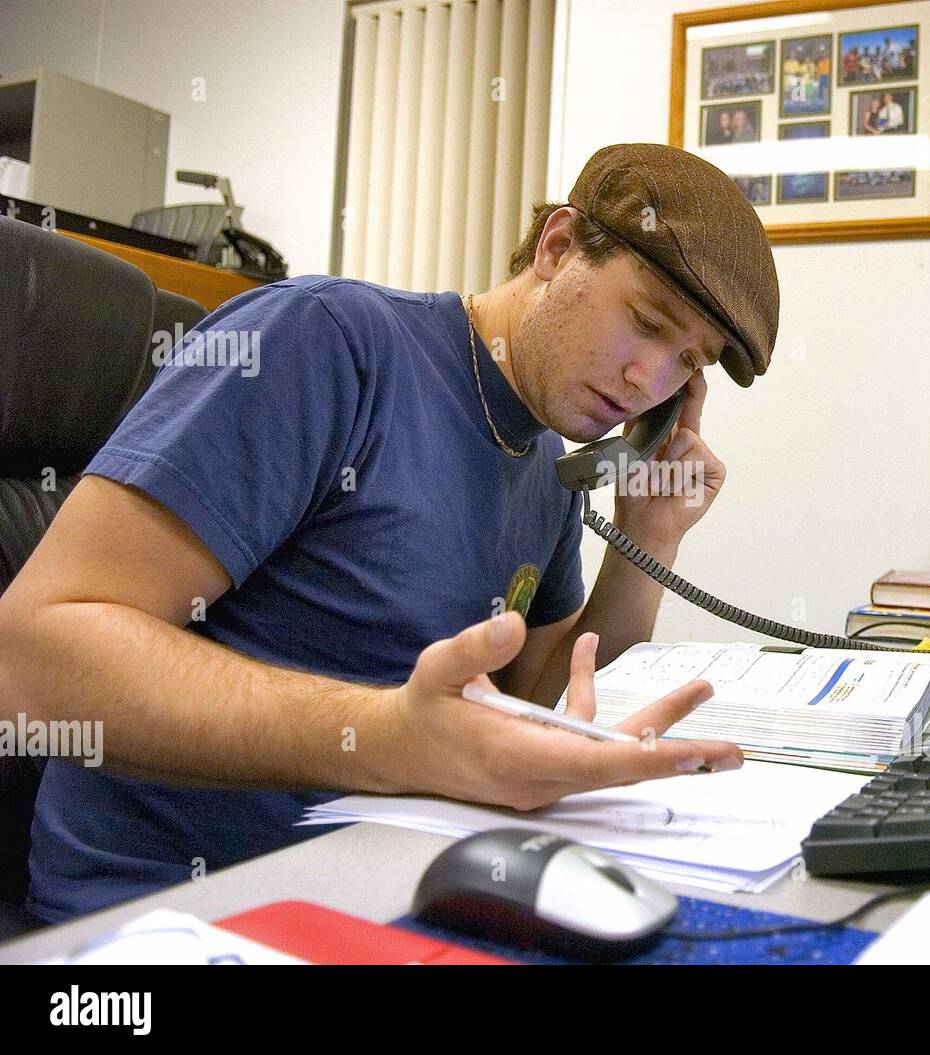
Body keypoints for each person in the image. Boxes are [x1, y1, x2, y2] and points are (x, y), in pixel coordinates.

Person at [1, 142, 779, 923]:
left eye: (689, 361)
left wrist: (649, 539)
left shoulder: (544, 458)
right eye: (645, 322)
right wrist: (389, 737)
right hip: (168, 914)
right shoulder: (325, 342)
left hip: (391, 890)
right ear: (558, 247)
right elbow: (29, 656)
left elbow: (541, 698)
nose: (651, 380)